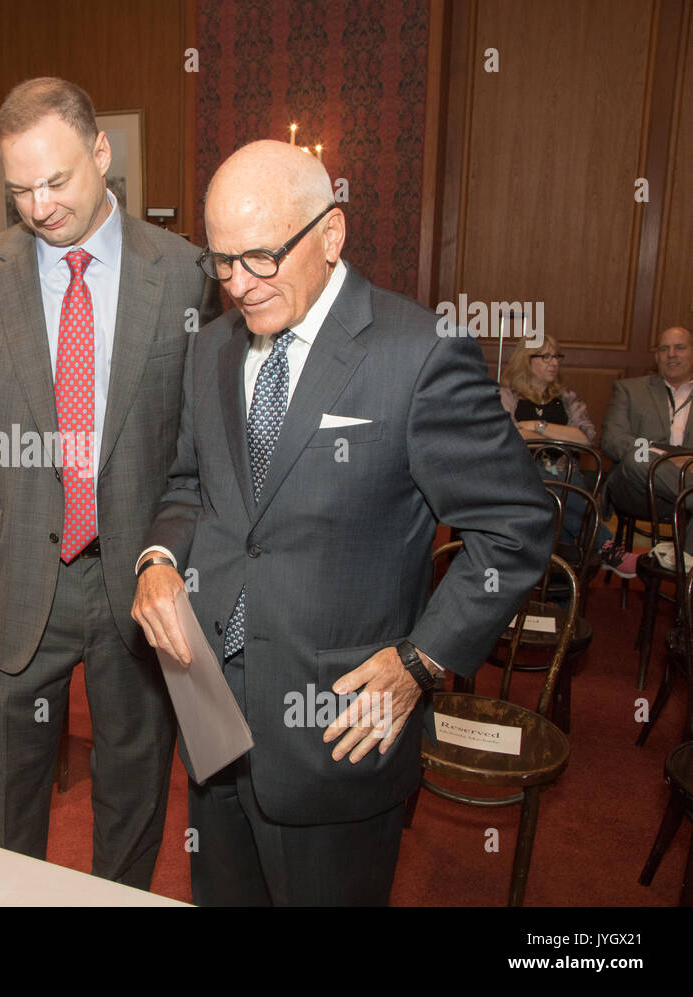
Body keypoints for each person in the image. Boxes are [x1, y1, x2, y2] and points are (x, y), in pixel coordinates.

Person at [131, 140, 553, 906]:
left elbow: (518, 523)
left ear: (331, 234)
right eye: (220, 262)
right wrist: (158, 556)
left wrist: (424, 660)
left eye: (262, 256)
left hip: (336, 730)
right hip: (209, 708)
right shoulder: (214, 348)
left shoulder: (418, 353)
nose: (240, 286)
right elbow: (192, 483)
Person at [0, 77, 218, 888]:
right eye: (20, 190)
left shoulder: (186, 272)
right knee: (11, 794)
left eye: (58, 181)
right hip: (12, 574)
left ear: (102, 153)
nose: (40, 205)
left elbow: (199, 443)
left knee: (135, 777)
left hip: (137, 576)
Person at [499, 336, 629, 572]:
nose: (554, 363)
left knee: (557, 490)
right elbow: (509, 435)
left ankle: (558, 590)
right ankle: (603, 545)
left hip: (566, 474)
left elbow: (585, 437)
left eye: (556, 356)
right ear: (525, 361)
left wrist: (536, 426)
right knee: (544, 478)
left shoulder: (568, 399)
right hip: (520, 476)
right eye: (545, 356)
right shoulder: (507, 396)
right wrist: (559, 437)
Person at [602, 327, 693, 549]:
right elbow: (613, 440)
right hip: (638, 490)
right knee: (638, 458)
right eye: (664, 349)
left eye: (679, 347)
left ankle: (684, 571)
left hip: (685, 491)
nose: (671, 354)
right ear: (657, 357)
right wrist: (665, 457)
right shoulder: (630, 389)